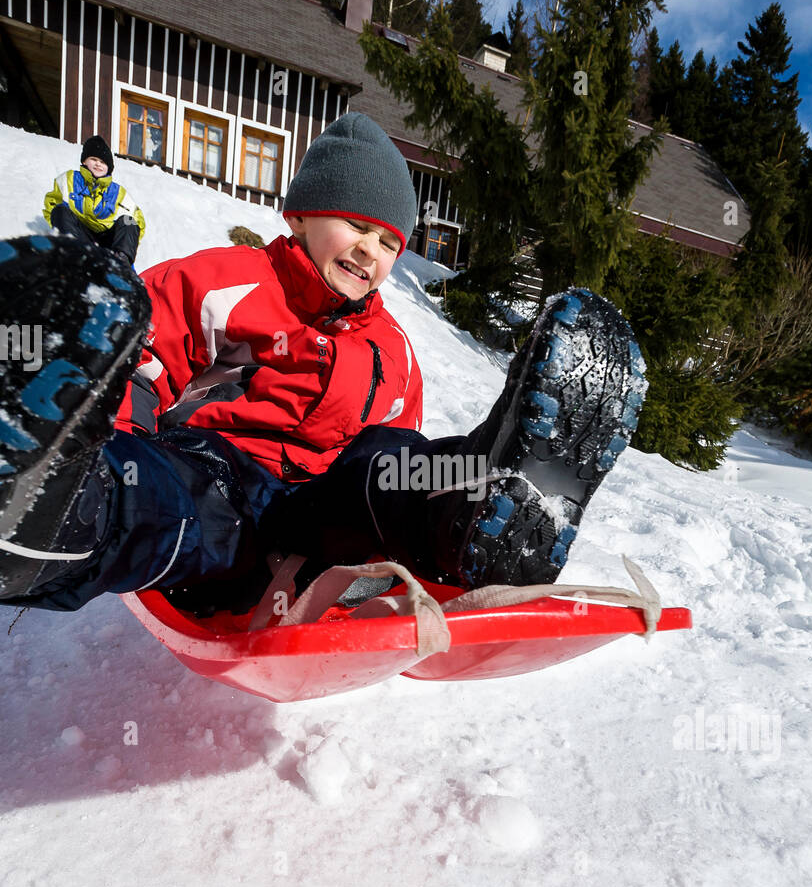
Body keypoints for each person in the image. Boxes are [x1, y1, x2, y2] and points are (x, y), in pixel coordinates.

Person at [0, 112, 646, 615]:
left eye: (391, 241)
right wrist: (127, 438)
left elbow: (395, 443)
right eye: (356, 225)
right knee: (162, 493)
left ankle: (478, 510)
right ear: (301, 214)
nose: (371, 250)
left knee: (386, 466)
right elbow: (147, 355)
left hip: (321, 529)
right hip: (222, 487)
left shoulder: (391, 349)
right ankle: (49, 508)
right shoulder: (236, 281)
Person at [43, 136, 145, 265]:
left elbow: (138, 222)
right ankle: (73, 252)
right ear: (84, 161)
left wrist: (124, 246)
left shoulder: (118, 192)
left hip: (108, 243)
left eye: (103, 162)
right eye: (93, 159)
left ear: (109, 167)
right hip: (79, 236)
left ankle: (120, 262)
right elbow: (52, 204)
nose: (98, 164)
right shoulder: (69, 179)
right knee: (60, 210)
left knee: (129, 221)